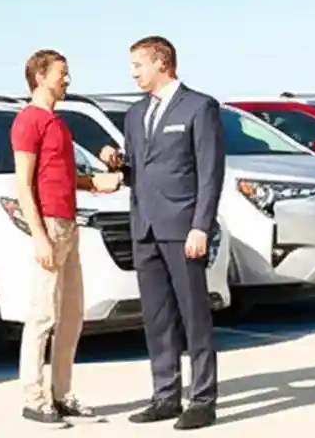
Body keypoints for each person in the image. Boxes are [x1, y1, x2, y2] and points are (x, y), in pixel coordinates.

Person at [98, 35, 224, 430]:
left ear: (162, 63)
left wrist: (200, 225)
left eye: (138, 65)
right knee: (157, 317)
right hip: (145, 227)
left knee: (194, 316)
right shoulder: (135, 115)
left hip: (183, 227)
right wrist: (117, 168)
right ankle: (165, 395)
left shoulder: (199, 107)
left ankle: (202, 400)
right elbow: (140, 169)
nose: (133, 73)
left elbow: (209, 173)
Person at [11, 48, 122, 424]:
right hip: (50, 225)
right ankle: (33, 396)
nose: (67, 79)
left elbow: (60, 176)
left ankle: (61, 392)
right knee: (42, 313)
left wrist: (93, 183)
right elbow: (24, 185)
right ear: (39, 76)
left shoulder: (59, 123)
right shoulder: (28, 121)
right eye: (62, 72)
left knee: (72, 314)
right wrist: (40, 237)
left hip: (70, 224)